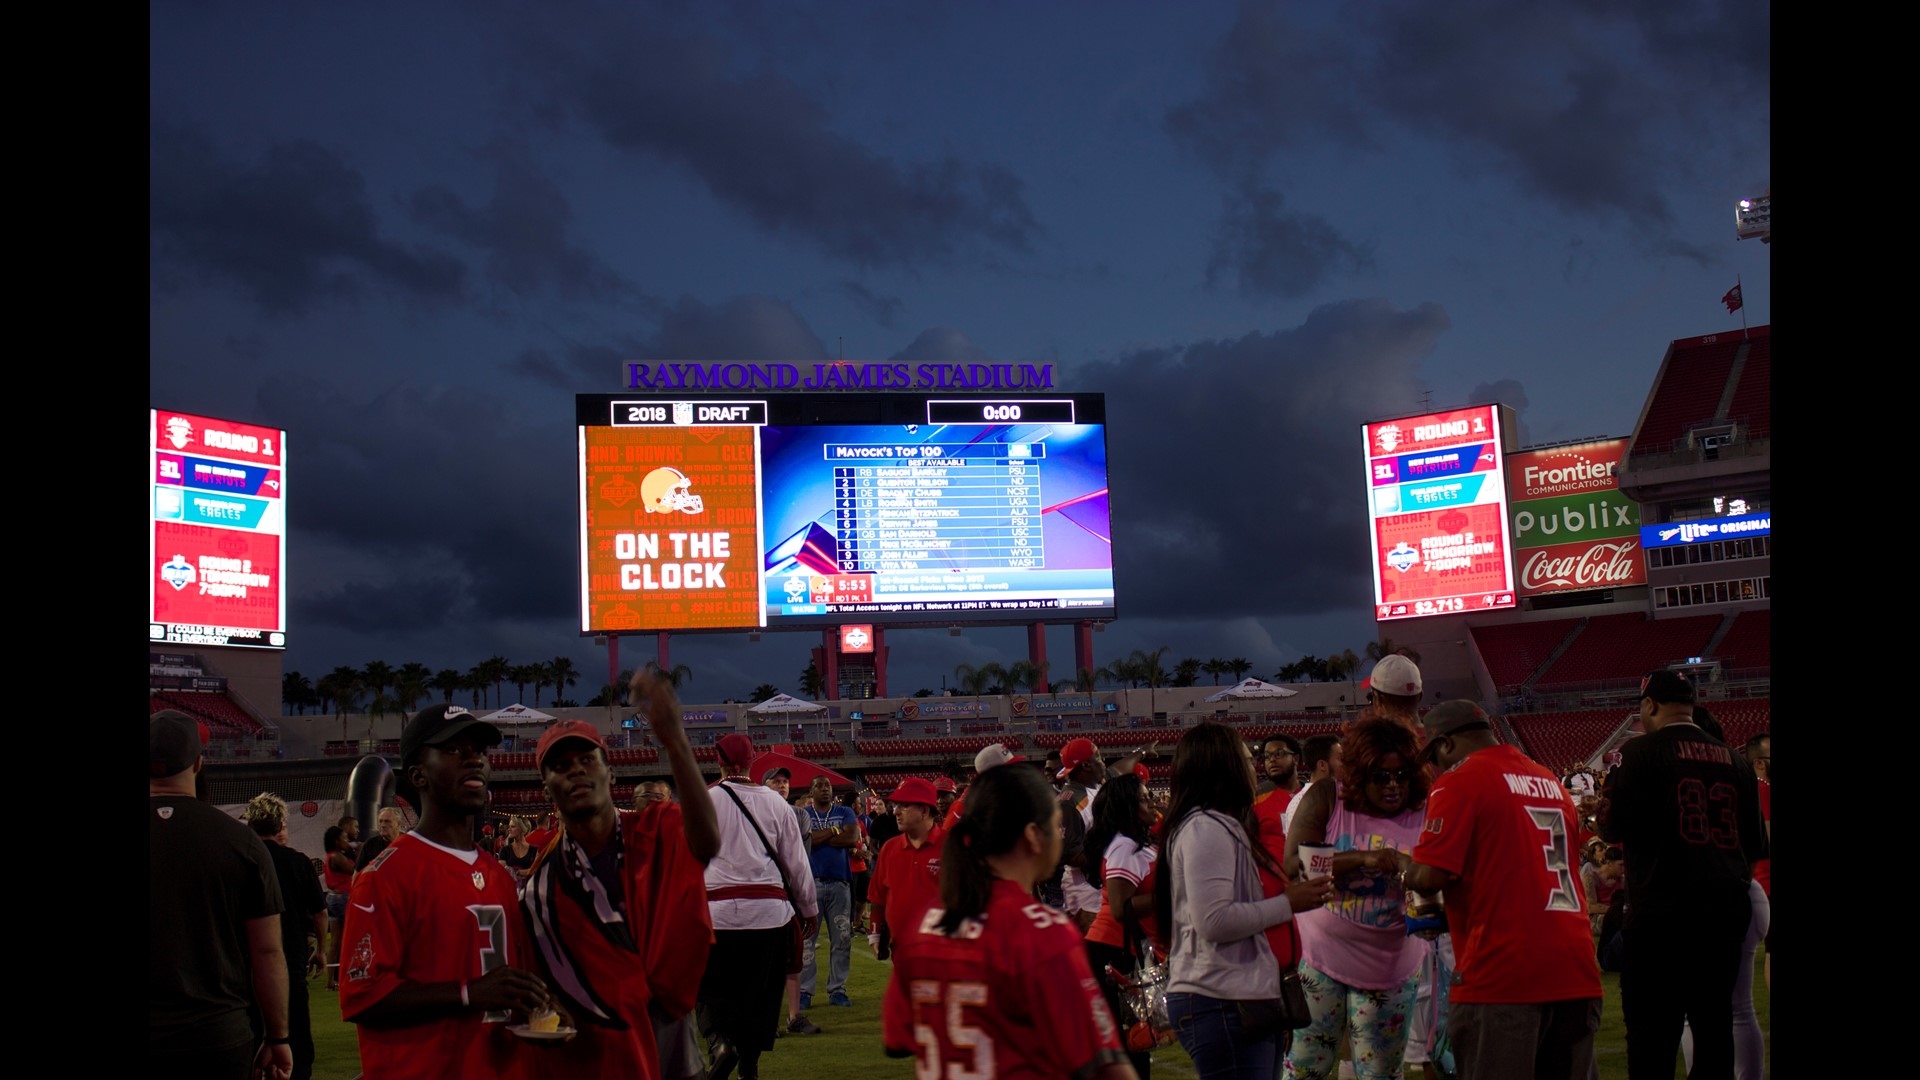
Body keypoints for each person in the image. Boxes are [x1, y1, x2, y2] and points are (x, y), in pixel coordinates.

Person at [519, 670, 720, 1080]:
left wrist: (676, 741)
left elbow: (707, 843)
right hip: (600, 1051)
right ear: (546, 788)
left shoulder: (654, 829)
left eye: (586, 760)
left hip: (671, 1038)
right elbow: (541, 982)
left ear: (610, 774)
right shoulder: (542, 888)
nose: (576, 771)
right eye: (560, 765)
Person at [882, 764, 1141, 1080]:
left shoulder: (925, 923)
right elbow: (1105, 1065)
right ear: (1034, 836)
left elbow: (898, 1040)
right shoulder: (1042, 932)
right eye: (1056, 826)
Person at [341, 703, 558, 1079]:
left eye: (480, 751)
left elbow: (511, 985)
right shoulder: (385, 875)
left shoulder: (499, 877)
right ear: (418, 776)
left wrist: (542, 1017)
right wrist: (467, 994)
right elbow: (363, 996)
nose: (474, 760)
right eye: (455, 750)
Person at [1401, 700, 1603, 1080]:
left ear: (1445, 745)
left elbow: (1428, 876)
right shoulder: (1550, 781)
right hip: (1575, 965)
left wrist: (1401, 868)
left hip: (1503, 969)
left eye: (1434, 757)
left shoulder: (1460, 779)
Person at [1157, 722, 1335, 1079]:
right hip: (1219, 998)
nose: (1253, 764)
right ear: (1222, 766)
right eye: (1245, 756)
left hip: (1237, 995)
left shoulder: (1218, 825)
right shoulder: (1205, 828)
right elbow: (1215, 921)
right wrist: (1289, 902)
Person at [1608, 691, 1767, 1080]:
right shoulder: (1734, 760)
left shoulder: (1641, 751)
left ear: (1650, 705)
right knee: (1719, 1022)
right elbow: (1755, 844)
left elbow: (1615, 826)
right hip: (1726, 906)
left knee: (1653, 1036)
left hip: (1661, 910)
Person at [1280, 718, 1432, 1080]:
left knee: (1380, 1073)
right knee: (1304, 1068)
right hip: (1321, 955)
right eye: (1381, 776)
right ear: (1360, 774)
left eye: (1401, 775)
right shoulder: (1328, 797)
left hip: (1390, 964)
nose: (1393, 785)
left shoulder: (1425, 808)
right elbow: (1293, 864)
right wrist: (1363, 859)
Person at [150, 710, 293, 1080]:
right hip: (216, 1037)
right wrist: (278, 1035)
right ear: (199, 762)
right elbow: (267, 951)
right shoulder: (240, 841)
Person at [703, 733, 820, 1079]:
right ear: (754, 762)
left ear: (718, 761)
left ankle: (721, 1044)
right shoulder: (776, 803)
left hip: (717, 914)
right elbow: (796, 863)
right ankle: (750, 1067)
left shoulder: (705, 801)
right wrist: (809, 907)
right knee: (760, 995)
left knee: (712, 990)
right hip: (769, 915)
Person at [1083, 772, 1162, 1079]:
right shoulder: (1124, 847)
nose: (1150, 802)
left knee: (1135, 1043)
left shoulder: (1136, 841)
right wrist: (1168, 894)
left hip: (1123, 949)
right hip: (1111, 951)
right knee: (1127, 1046)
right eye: (1143, 798)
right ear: (1127, 806)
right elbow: (1119, 907)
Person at [244, 793, 328, 1080]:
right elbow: (319, 912)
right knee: (298, 1040)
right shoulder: (298, 862)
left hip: (247, 965)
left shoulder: (240, 859)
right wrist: (322, 950)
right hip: (290, 962)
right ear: (280, 824)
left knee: (252, 1036)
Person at [868, 777, 947, 964]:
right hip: (902, 955)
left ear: (924, 810)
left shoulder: (953, 846)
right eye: (896, 805)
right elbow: (878, 898)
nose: (895, 812)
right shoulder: (889, 849)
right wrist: (875, 935)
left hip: (945, 956)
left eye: (903, 806)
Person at [797, 774, 860, 1009]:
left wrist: (817, 838)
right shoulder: (803, 814)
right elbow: (803, 842)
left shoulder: (844, 812)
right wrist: (835, 832)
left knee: (841, 939)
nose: (825, 789)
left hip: (840, 883)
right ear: (811, 791)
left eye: (828, 786)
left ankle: (837, 989)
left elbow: (852, 838)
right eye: (819, 786)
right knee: (806, 941)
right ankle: (805, 990)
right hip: (809, 884)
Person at [1282, 735, 1342, 836]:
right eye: (1340, 758)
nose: (1346, 763)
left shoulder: (1338, 794)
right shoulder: (1300, 803)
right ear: (1322, 765)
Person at [322, 825, 355, 990]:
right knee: (352, 938)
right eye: (344, 838)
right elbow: (355, 871)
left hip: (332, 898)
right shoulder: (338, 857)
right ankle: (350, 977)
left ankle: (330, 982)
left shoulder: (329, 856)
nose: (347, 841)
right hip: (344, 898)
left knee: (335, 941)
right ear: (337, 841)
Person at [355, 806, 407, 872]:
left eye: (387, 821)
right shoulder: (370, 844)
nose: (383, 825)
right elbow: (357, 873)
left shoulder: (407, 844)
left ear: (398, 824)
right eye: (380, 821)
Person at [499, 816, 538, 881]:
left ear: (522, 829)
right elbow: (502, 871)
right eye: (509, 826)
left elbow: (536, 871)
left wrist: (516, 872)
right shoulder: (504, 850)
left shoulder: (534, 850)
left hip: (529, 889)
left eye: (513, 826)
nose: (509, 829)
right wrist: (525, 872)